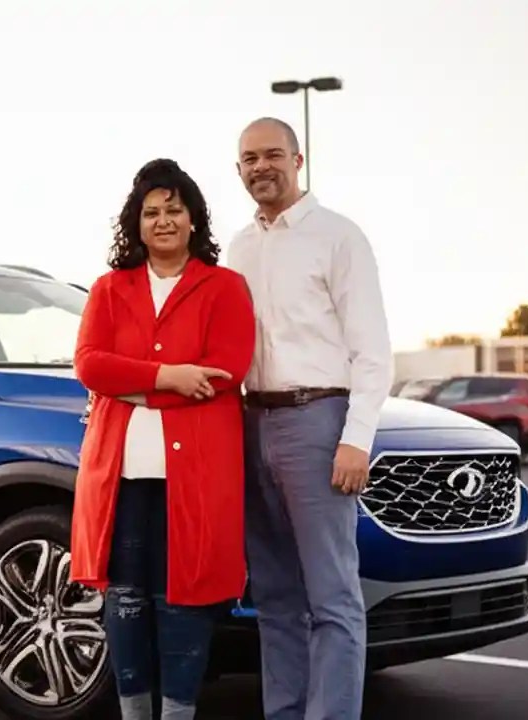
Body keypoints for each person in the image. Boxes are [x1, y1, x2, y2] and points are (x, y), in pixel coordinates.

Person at [70, 158, 257, 720]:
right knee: (125, 599)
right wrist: (170, 377)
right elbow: (88, 365)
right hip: (122, 477)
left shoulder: (224, 288)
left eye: (174, 209)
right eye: (151, 212)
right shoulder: (109, 289)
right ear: (137, 224)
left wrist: (129, 387)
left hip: (196, 478)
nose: (163, 220)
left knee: (184, 602)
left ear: (194, 219)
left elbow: (225, 370)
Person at [224, 117, 393, 720]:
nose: (261, 166)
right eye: (249, 158)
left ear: (299, 161)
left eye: (273, 154)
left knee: (333, 598)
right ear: (238, 169)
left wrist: (356, 440)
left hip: (317, 423)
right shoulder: (237, 248)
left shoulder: (338, 237)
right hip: (251, 423)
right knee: (273, 597)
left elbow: (372, 350)